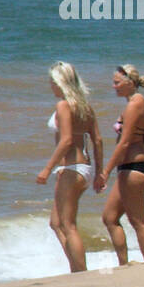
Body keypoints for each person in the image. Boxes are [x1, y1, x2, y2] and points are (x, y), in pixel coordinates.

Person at [36, 61, 104, 273]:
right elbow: (98, 141)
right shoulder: (85, 107)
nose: (50, 86)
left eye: (52, 82)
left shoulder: (64, 106)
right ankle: (76, 269)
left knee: (68, 225)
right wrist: (99, 173)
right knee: (56, 223)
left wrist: (47, 169)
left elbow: (65, 140)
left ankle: (81, 273)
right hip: (83, 168)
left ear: (61, 83)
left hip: (71, 168)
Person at [101, 64, 144, 264]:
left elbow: (124, 142)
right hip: (130, 168)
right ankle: (124, 265)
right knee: (109, 217)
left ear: (130, 83)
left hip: (134, 168)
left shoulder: (135, 104)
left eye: (117, 83)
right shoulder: (137, 103)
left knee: (137, 221)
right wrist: (139, 136)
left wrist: (105, 172)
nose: (113, 86)